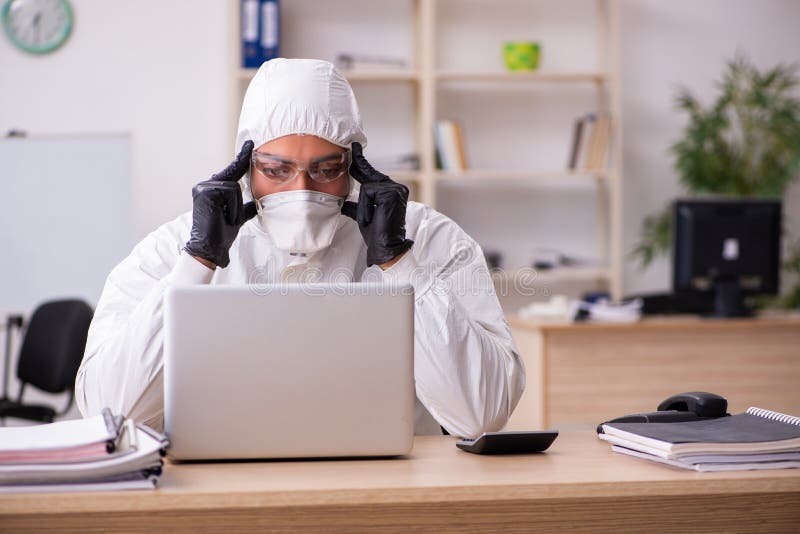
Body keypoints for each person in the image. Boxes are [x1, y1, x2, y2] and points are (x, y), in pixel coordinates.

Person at [75, 58, 524, 438]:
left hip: (393, 492)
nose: (302, 189)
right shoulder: (174, 247)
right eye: (277, 170)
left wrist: (398, 262)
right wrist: (196, 265)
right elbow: (110, 413)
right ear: (244, 167)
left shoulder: (431, 238)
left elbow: (480, 415)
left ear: (357, 166)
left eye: (327, 169)